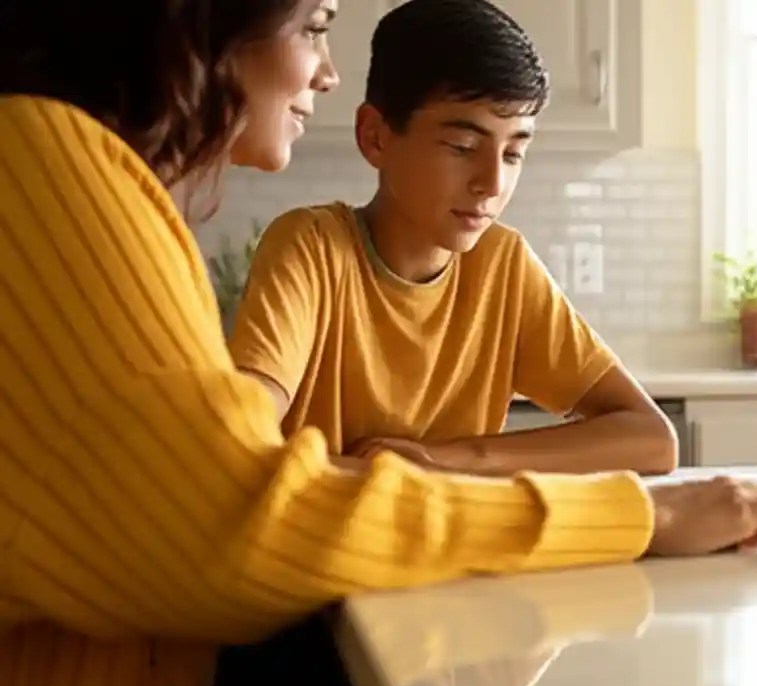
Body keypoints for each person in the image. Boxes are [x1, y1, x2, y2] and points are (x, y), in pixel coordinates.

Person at [0, 1, 757, 686]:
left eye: (515, 151)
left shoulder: (78, 172)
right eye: (314, 23)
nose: (328, 69)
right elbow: (231, 506)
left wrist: (451, 460)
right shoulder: (55, 169)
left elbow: (200, 499)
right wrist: (636, 517)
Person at [228, 0, 677, 477]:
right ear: (375, 137)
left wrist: (453, 459)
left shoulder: (503, 267)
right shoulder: (310, 249)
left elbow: (651, 440)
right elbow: (238, 442)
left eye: (514, 153)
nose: (492, 183)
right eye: (463, 147)